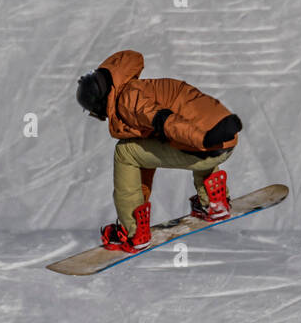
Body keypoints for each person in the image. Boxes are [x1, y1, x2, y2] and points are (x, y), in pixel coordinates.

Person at [75, 50, 243, 252]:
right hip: (224, 141)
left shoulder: (128, 101)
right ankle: (214, 201)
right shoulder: (140, 89)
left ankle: (133, 233)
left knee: (124, 153)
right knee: (142, 147)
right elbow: (146, 158)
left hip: (206, 143)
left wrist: (203, 138)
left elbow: (167, 121)